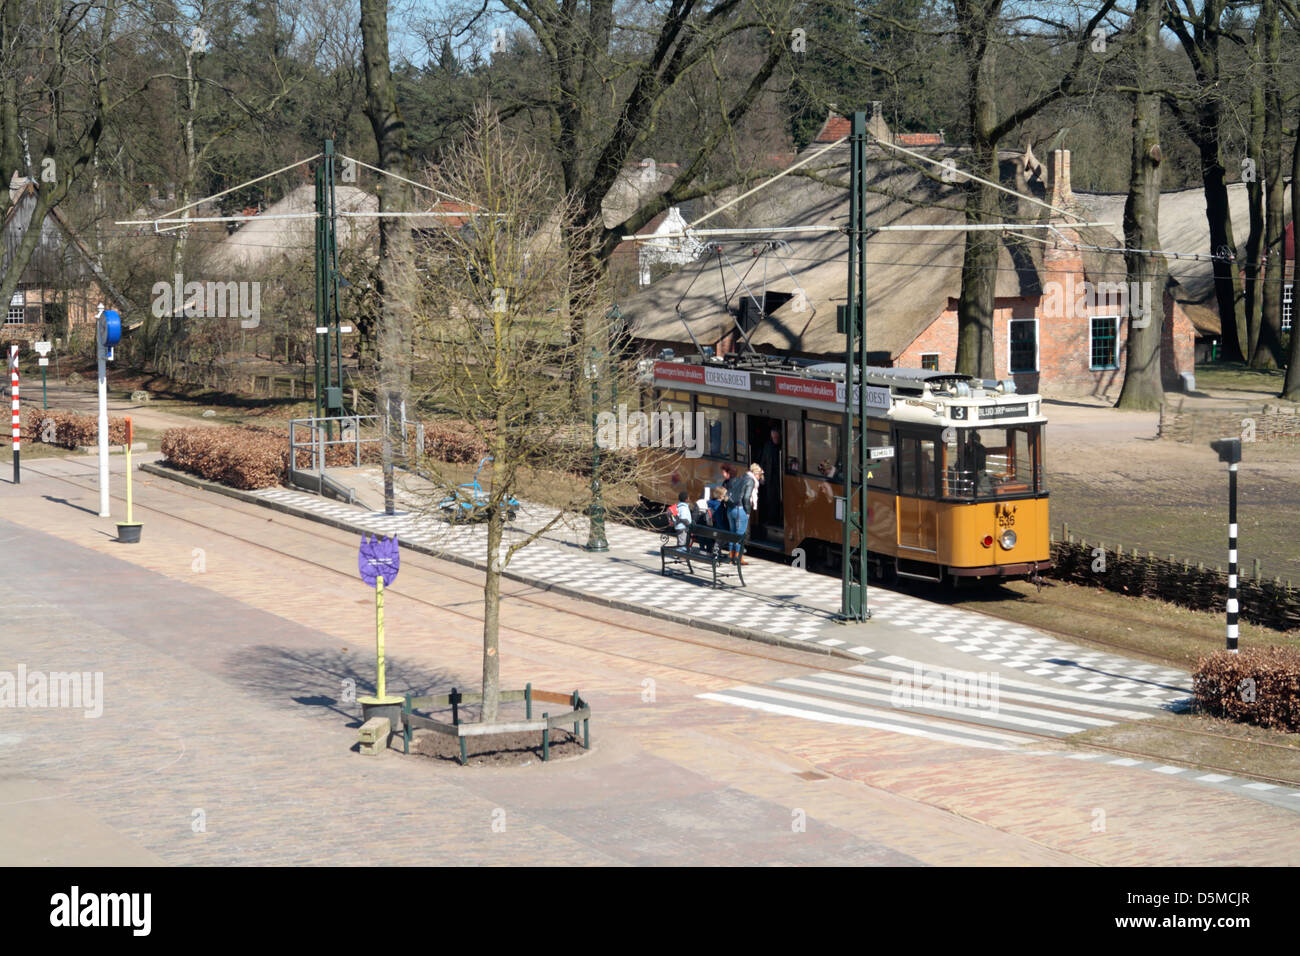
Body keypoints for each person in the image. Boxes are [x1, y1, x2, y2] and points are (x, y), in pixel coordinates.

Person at [722, 463, 754, 563]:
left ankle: (731, 555)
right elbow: (745, 497)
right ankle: (738, 557)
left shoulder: (728, 482)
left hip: (730, 509)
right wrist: (748, 511)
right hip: (739, 509)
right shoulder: (743, 481)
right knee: (740, 534)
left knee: (732, 532)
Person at [757, 427, 783, 524]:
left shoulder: (783, 446)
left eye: (777, 437)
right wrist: (761, 475)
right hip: (770, 477)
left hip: (779, 477)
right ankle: (772, 519)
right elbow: (763, 461)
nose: (775, 439)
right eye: (774, 437)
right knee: (770, 499)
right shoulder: (767, 446)